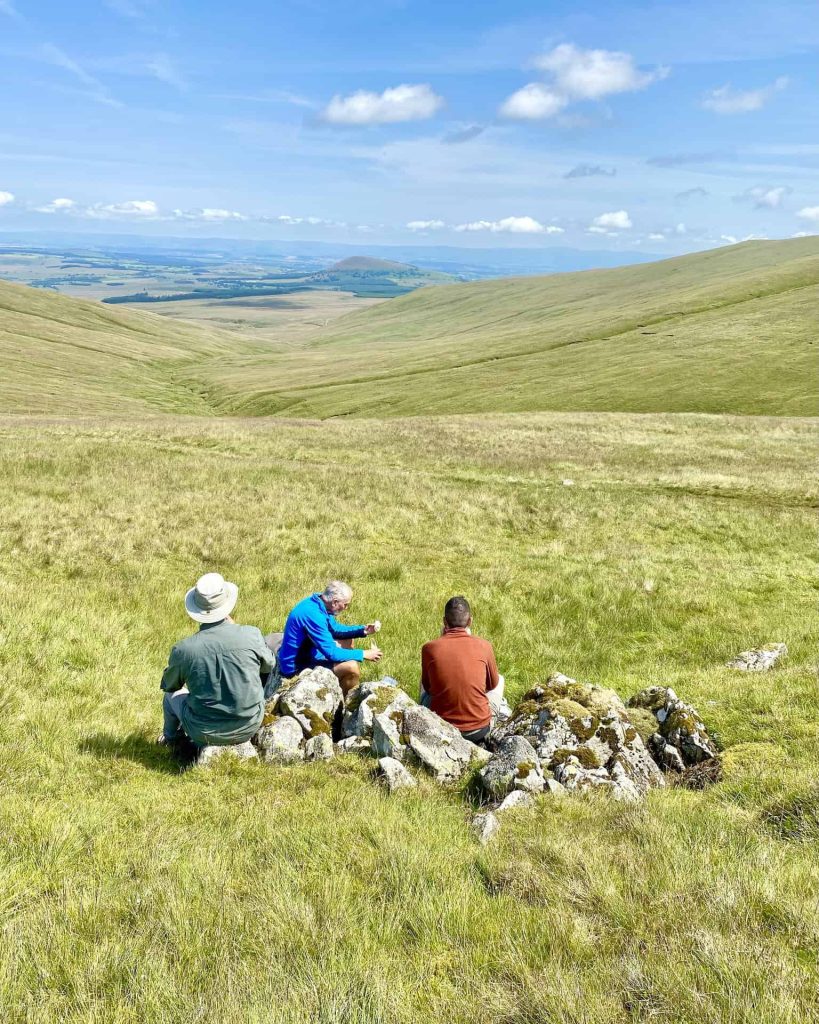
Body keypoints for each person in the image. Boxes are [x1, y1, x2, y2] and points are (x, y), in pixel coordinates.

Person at [159, 572, 274, 748]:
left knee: (170, 697)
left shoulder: (183, 650)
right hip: (249, 725)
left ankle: (170, 741)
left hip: (203, 731)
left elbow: (169, 685)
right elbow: (269, 665)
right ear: (227, 605)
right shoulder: (251, 634)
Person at [419, 596, 507, 746]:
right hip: (480, 730)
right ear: (470, 621)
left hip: (442, 728)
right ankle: (501, 712)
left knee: (422, 680)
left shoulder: (429, 648)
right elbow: (492, 685)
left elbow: (428, 688)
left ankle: (422, 717)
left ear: (444, 622)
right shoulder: (484, 646)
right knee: (501, 680)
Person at [277, 581, 382, 695]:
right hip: (295, 668)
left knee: (348, 641)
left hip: (308, 653)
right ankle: (343, 702)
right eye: (345, 604)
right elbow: (331, 653)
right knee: (352, 668)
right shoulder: (313, 615)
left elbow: (335, 629)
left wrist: (363, 630)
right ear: (335, 602)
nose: (346, 608)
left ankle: (339, 684)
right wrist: (364, 654)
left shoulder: (320, 602)